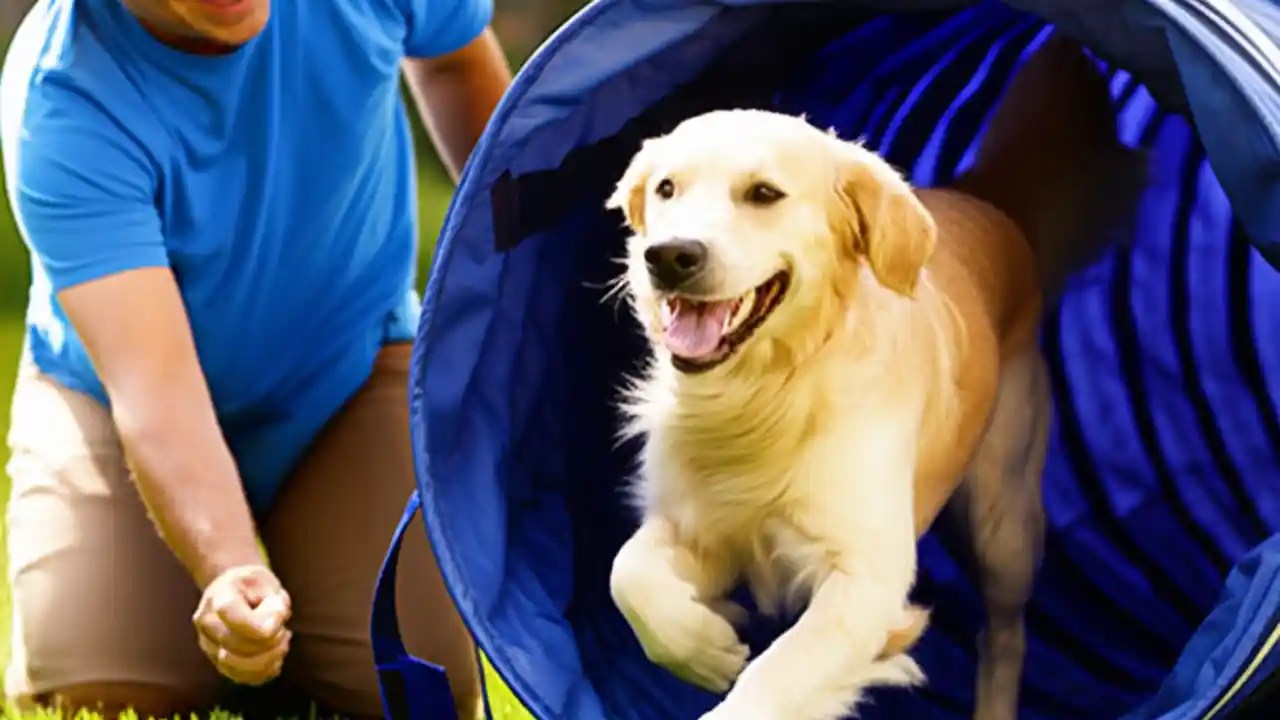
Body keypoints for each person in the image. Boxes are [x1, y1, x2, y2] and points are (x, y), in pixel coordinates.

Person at [0, 0, 512, 717]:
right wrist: (230, 567)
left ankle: (310, 612)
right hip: (117, 410)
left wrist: (537, 260)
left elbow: (457, 61)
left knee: (408, 686)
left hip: (348, 372)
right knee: (108, 692)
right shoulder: (63, 99)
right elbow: (156, 393)